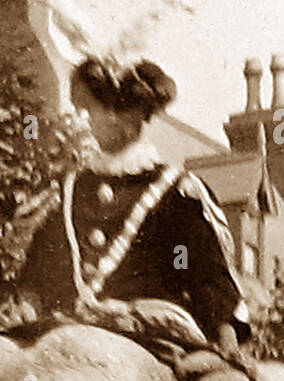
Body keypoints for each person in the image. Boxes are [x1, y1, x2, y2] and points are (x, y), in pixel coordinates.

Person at [17, 56, 251, 356]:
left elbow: (204, 273)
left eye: (91, 110)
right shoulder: (69, 186)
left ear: (123, 117)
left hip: (149, 330)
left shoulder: (177, 193)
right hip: (68, 328)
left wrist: (224, 335)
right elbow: (43, 263)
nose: (84, 120)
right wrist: (29, 300)